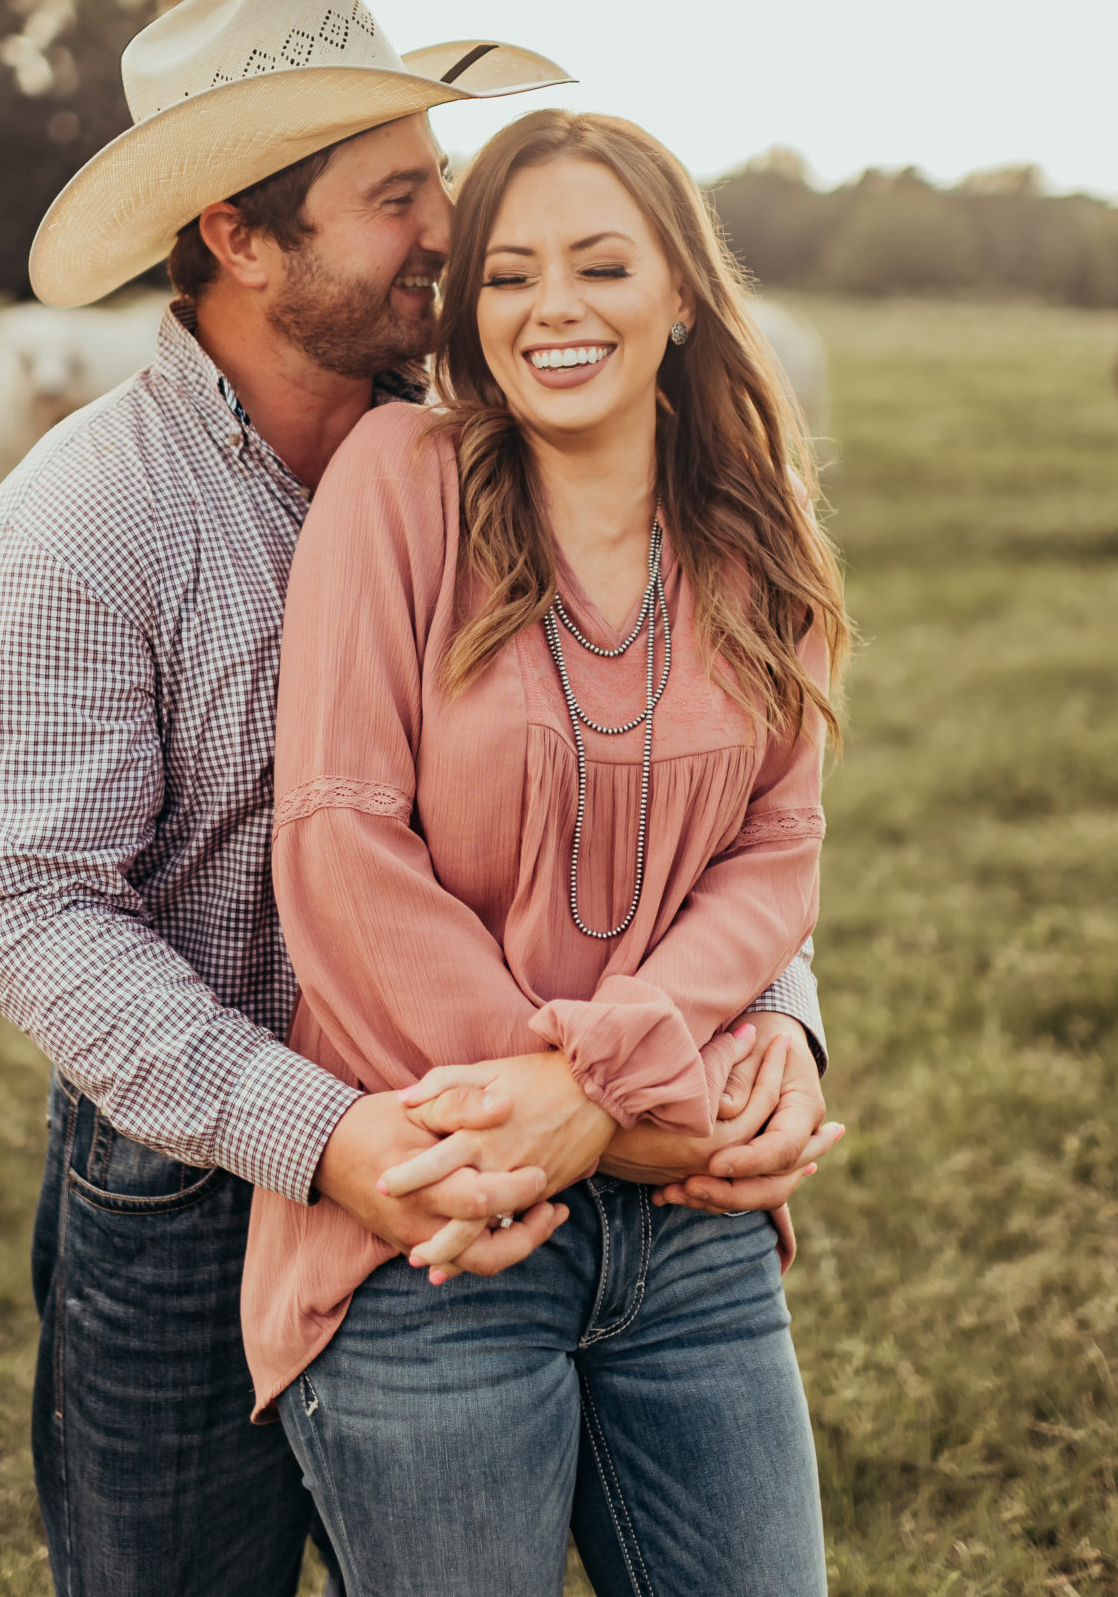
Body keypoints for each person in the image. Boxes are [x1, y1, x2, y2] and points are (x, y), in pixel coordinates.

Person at [0, 0, 833, 1597]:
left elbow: (680, 784)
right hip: (203, 1170)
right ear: (238, 234)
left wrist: (766, 1014)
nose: (446, 225)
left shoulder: (500, 441)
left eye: (436, 178)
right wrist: (337, 1133)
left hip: (544, 1132)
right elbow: (33, 910)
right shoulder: (83, 525)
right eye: (396, 195)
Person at [243, 109, 851, 1597]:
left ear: (684, 294)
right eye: (508, 276)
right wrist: (599, 1107)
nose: (552, 310)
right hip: (440, 1212)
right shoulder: (404, 480)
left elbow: (777, 848)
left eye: (599, 265)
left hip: (687, 1229)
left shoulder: (757, 535)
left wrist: (604, 1103)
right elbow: (339, 841)